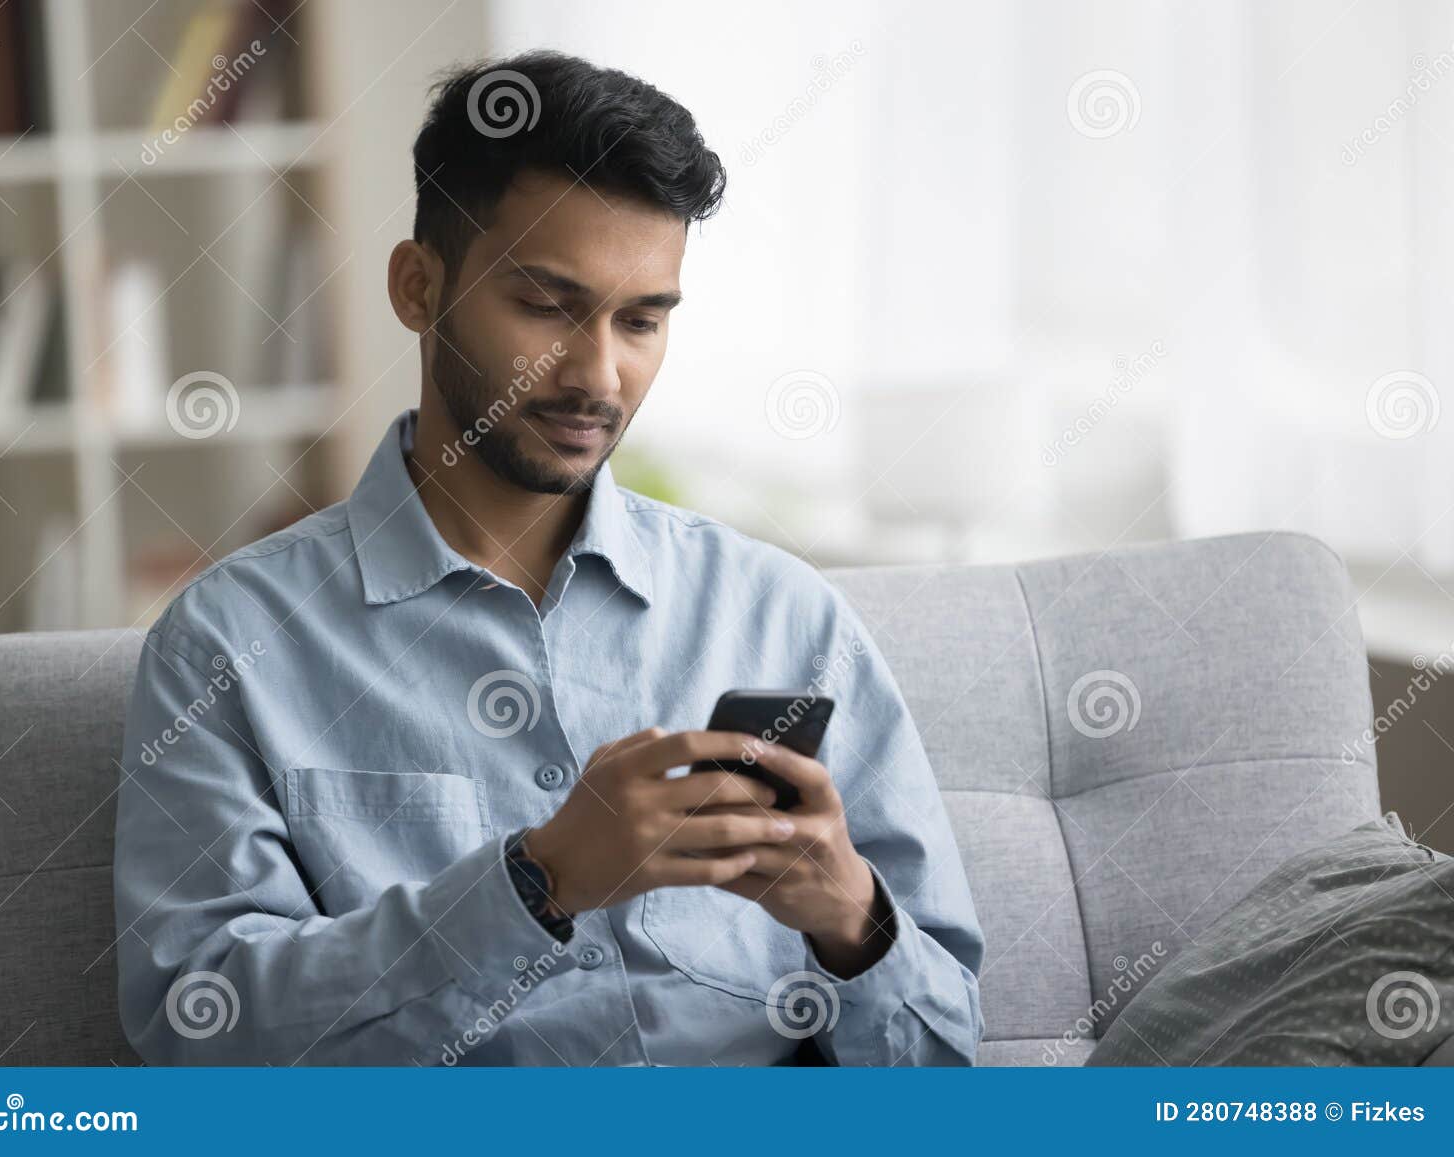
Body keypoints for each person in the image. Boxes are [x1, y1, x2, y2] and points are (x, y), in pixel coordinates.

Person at [115, 50, 984, 1066]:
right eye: (546, 305)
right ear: (417, 285)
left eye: (641, 319)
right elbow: (200, 1037)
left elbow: (945, 1057)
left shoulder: (784, 614)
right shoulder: (228, 644)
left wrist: (850, 917)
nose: (597, 373)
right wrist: (534, 883)